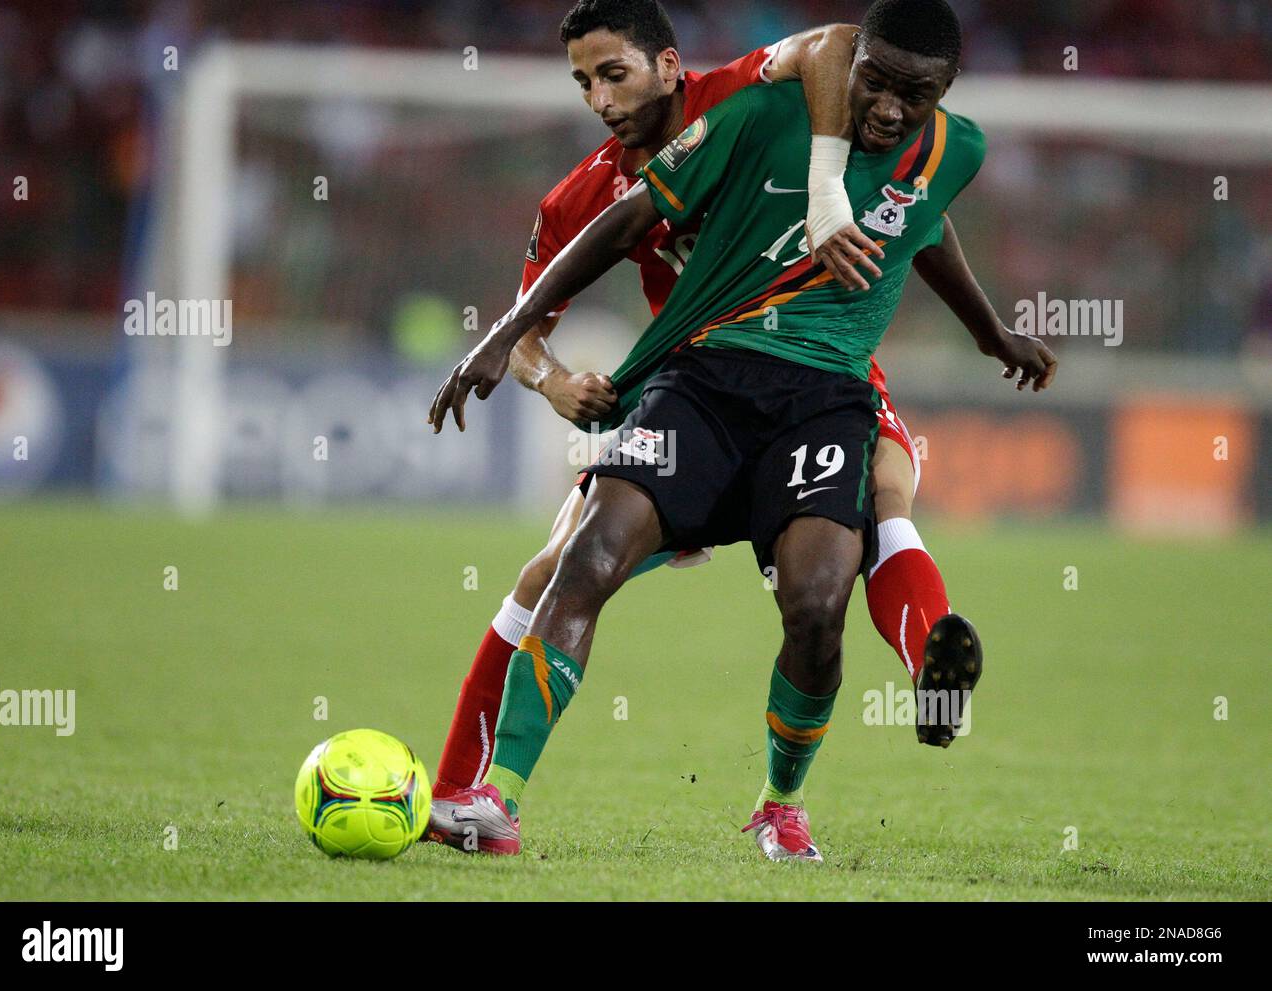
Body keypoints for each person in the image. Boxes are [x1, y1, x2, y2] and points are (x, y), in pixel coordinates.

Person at [428, 0, 1056, 860]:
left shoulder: (760, 94)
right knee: (565, 563)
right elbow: (574, 278)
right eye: (583, 80)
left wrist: (987, 331)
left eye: (615, 73)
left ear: (669, 65)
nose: (600, 97)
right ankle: (469, 792)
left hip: (830, 383)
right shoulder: (599, 186)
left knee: (867, 521)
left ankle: (916, 686)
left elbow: (910, 192)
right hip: (693, 377)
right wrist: (535, 366)